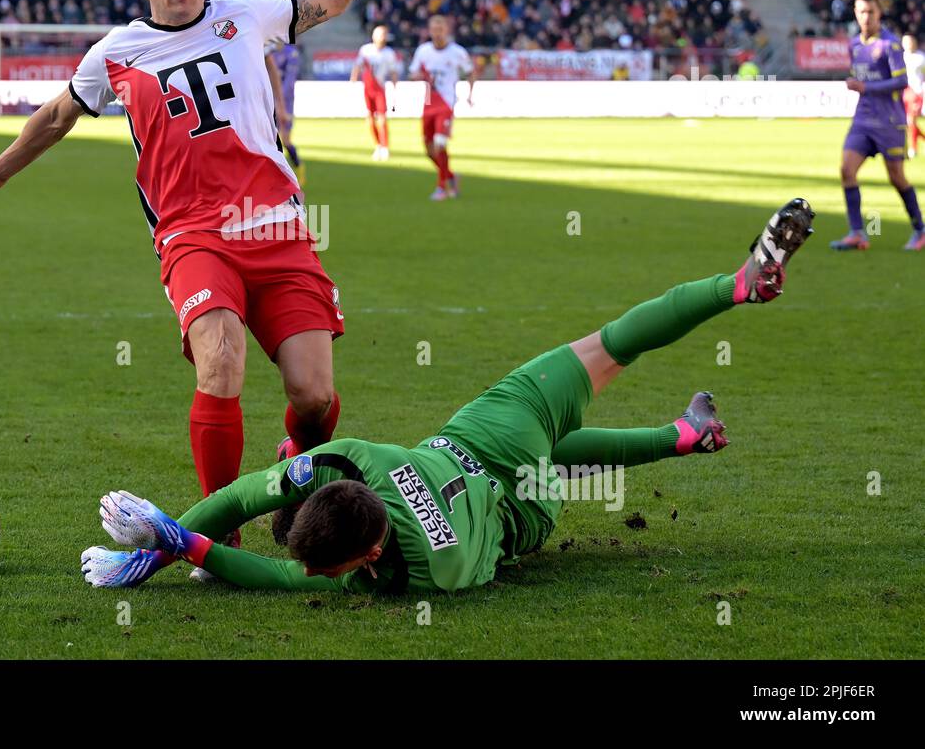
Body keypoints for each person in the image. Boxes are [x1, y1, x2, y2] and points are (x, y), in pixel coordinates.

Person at [0, 0, 429, 576]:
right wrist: (1, 170)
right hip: (193, 236)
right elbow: (56, 116)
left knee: (315, 394)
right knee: (222, 360)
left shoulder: (247, 16)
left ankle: (295, 455)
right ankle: (217, 539)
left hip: (279, 230)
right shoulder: (116, 54)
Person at [82, 199, 816, 593]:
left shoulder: (415, 574)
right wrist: (172, 538)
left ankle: (688, 437)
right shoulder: (357, 457)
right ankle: (739, 286)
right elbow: (250, 502)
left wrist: (175, 545)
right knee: (607, 346)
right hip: (485, 435)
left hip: (525, 510)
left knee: (549, 462)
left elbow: (274, 572)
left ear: (368, 553)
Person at [830, 0, 924, 251]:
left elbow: (901, 81)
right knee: (846, 170)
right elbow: (860, 77)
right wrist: (857, 85)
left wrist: (865, 87)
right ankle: (857, 232)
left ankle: (920, 229)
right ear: (855, 13)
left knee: (897, 178)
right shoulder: (854, 46)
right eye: (861, 11)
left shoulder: (890, 44)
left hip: (889, 122)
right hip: (862, 120)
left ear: (879, 13)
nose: (865, 17)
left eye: (870, 12)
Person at [216, 0, 304, 185]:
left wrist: (280, 107)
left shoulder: (255, 21)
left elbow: (270, 65)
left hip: (251, 108)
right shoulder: (206, 19)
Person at [410, 14, 475, 200]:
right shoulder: (423, 51)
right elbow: (413, 72)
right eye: (434, 30)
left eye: (441, 29)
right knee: (429, 150)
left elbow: (470, 73)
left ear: (447, 30)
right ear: (429, 31)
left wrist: (470, 95)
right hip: (429, 102)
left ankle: (442, 188)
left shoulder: (457, 52)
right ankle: (451, 176)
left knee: (440, 144)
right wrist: (417, 76)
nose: (437, 33)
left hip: (446, 104)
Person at [351, 24, 400, 161]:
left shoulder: (389, 53)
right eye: (378, 34)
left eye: (383, 34)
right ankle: (378, 145)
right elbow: (358, 65)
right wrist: (353, 79)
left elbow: (393, 72)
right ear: (373, 36)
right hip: (368, 89)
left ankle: (385, 147)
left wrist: (396, 87)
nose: (380, 37)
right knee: (370, 119)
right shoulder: (366, 50)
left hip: (380, 89)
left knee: (382, 118)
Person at [902, 34, 923, 159]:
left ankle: (912, 149)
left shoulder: (921, 57)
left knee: (911, 120)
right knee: (906, 122)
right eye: (905, 42)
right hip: (904, 92)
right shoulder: (901, 57)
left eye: (910, 41)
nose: (908, 44)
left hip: (916, 92)